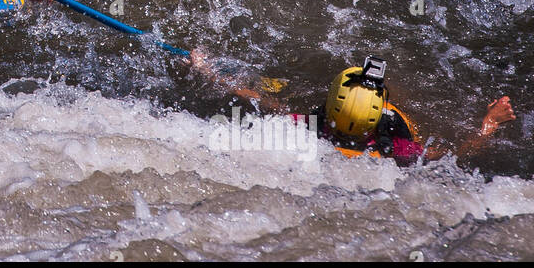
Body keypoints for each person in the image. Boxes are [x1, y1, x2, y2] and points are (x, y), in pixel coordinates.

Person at [190, 51, 515, 164]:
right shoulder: (396, 148)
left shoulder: (309, 129)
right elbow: (455, 154)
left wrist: (208, 71)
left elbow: (263, 102)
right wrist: (489, 123)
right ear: (379, 115)